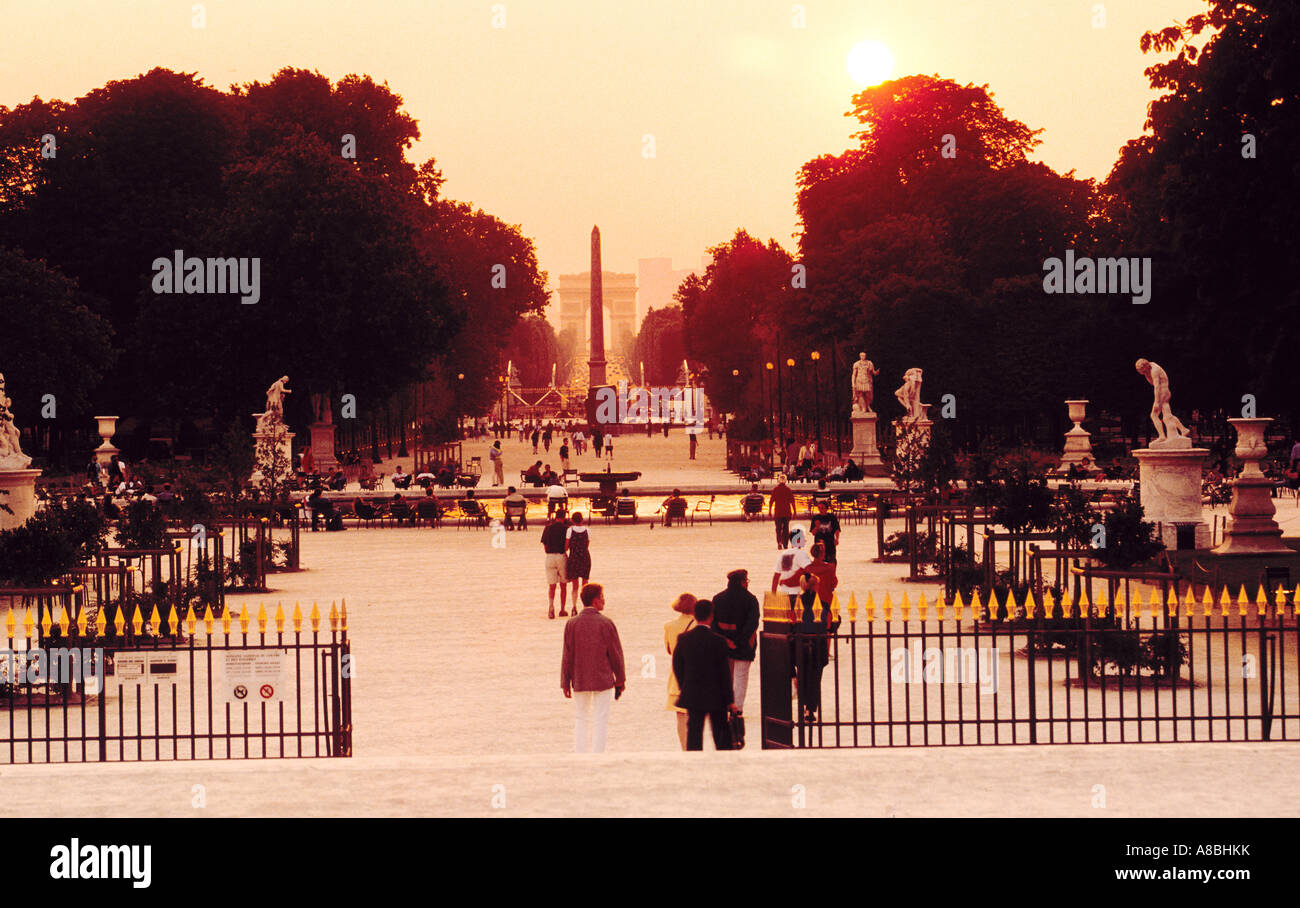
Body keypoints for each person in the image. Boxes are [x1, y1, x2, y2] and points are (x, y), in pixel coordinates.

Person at [561, 583, 626, 754]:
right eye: (602, 597)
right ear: (596, 600)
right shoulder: (606, 623)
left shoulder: (571, 624)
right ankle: (598, 753)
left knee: (581, 716)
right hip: (602, 678)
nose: (604, 600)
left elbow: (567, 655)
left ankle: (580, 752)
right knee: (601, 718)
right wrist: (620, 679)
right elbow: (615, 654)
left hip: (579, 677)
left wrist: (565, 682)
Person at [671, 597, 736, 751]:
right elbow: (724, 673)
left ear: (695, 615)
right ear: (711, 616)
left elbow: (677, 666)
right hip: (717, 695)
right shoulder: (719, 641)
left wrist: (684, 686)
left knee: (694, 733)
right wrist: (730, 700)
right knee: (720, 734)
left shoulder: (684, 639)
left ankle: (694, 765)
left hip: (693, 693)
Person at [711, 568, 759, 748]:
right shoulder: (750, 599)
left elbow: (713, 623)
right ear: (741, 581)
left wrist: (727, 641)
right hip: (744, 645)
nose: (747, 583)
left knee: (726, 676)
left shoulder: (718, 598)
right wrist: (738, 641)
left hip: (724, 645)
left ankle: (726, 703)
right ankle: (737, 708)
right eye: (746, 580)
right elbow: (752, 623)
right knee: (741, 677)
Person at [792, 572, 830, 723]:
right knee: (815, 679)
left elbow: (791, 624)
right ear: (814, 586)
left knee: (802, 677)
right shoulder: (823, 604)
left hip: (800, 644)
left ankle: (802, 707)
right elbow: (829, 625)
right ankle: (811, 709)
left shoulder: (795, 602)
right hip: (818, 645)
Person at [663, 593, 698, 750]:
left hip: (677, 678)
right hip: (696, 676)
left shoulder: (669, 626)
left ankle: (685, 748)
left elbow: (669, 650)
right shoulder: (698, 626)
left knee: (681, 718)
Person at [772, 527, 813, 603]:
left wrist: (773, 596)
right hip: (797, 594)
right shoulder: (802, 554)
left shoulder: (783, 554)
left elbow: (776, 577)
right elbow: (810, 570)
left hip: (784, 594)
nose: (805, 540)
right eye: (803, 538)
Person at [541, 509, 570, 618]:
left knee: (552, 585)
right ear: (564, 517)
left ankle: (551, 606)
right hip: (561, 556)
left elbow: (544, 545)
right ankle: (562, 609)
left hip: (549, 557)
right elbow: (567, 545)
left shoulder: (548, 528)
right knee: (563, 585)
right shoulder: (566, 529)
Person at [565, 512, 592, 603]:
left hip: (574, 557)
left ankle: (574, 606)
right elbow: (587, 544)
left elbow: (566, 547)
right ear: (582, 519)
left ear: (572, 520)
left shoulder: (570, 530)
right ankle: (586, 604)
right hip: (585, 557)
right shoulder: (587, 530)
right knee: (585, 584)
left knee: (575, 586)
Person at [805, 542, 838, 608]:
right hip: (827, 598)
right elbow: (834, 583)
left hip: (811, 600)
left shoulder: (807, 568)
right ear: (822, 554)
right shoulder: (830, 567)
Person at [809, 499, 842, 565]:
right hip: (819, 544)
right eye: (819, 508)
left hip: (830, 542)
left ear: (826, 508)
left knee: (832, 560)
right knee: (820, 562)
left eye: (822, 508)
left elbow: (837, 529)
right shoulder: (816, 518)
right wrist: (817, 526)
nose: (821, 510)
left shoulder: (832, 517)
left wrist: (837, 539)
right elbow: (813, 533)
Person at [768, 473, 796, 548]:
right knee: (786, 528)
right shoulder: (788, 490)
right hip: (787, 512)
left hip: (778, 512)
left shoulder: (775, 489)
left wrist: (769, 511)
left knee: (778, 528)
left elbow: (771, 501)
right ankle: (785, 544)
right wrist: (795, 511)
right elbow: (792, 502)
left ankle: (779, 542)